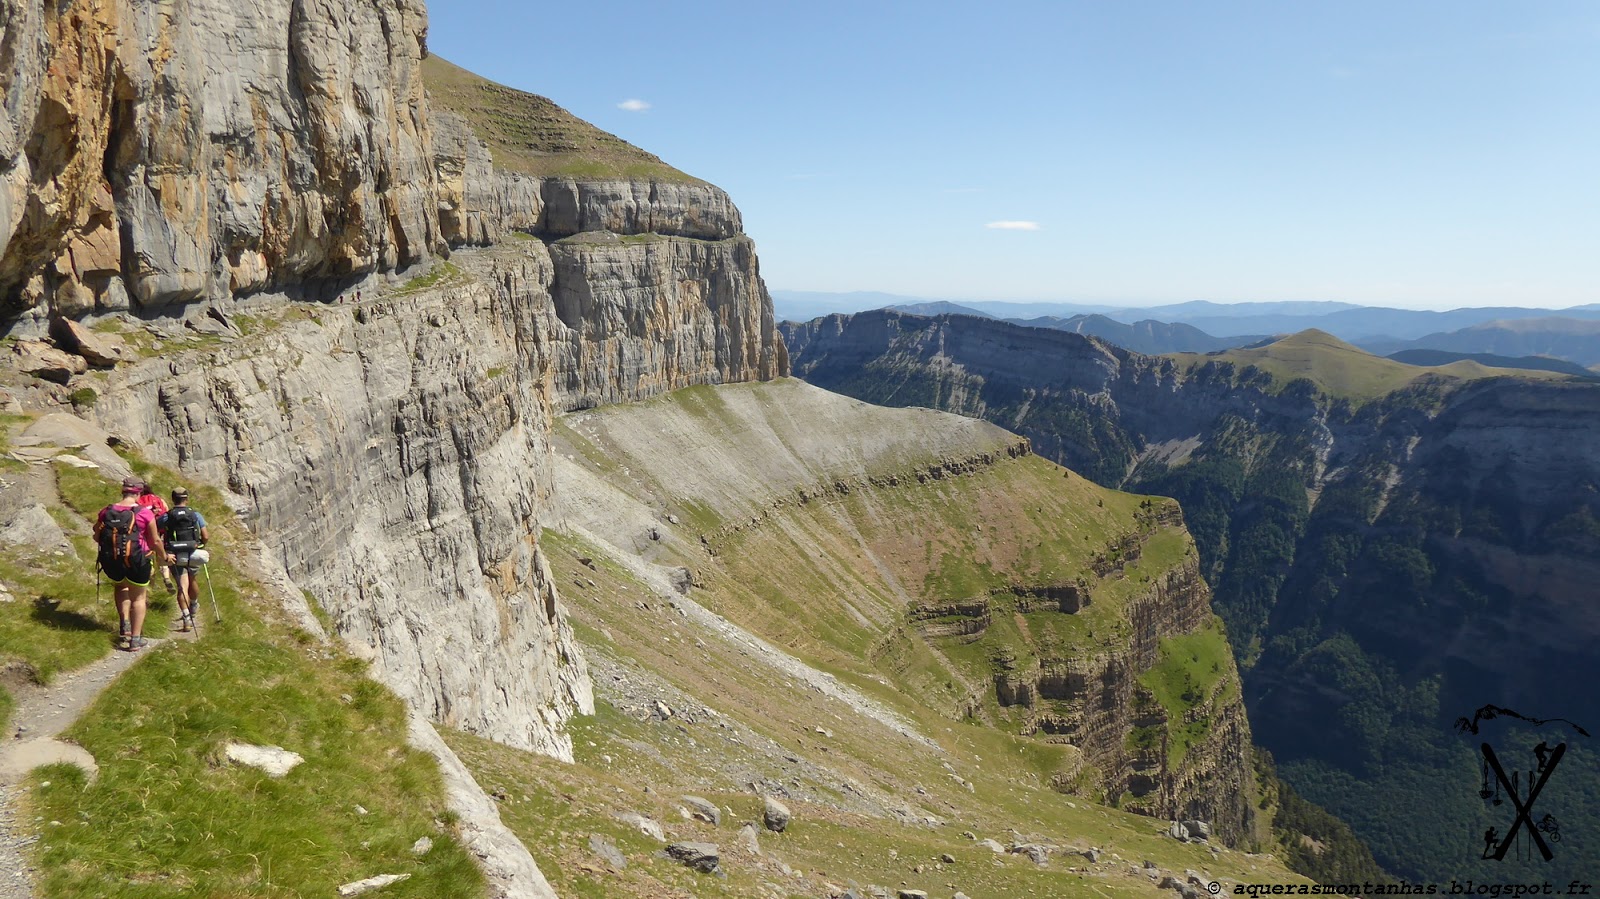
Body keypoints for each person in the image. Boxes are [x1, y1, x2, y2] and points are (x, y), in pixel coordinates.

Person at [95, 477, 166, 650]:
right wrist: (163, 556)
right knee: (139, 597)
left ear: (123, 491)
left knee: (120, 588)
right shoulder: (144, 513)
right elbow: (155, 540)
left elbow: (96, 534)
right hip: (137, 559)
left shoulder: (107, 511)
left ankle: (124, 624)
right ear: (139, 493)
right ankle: (135, 639)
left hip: (112, 561)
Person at [158, 487, 209, 633]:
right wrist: (201, 545)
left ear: (173, 499)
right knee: (193, 580)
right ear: (186, 499)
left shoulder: (167, 516)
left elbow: (154, 530)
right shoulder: (195, 515)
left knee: (182, 586)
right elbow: (205, 536)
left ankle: (186, 618)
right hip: (192, 552)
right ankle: (193, 605)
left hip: (175, 554)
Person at [136, 482, 174, 593]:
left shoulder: (138, 502)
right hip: (160, 531)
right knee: (162, 554)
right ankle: (166, 577)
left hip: (146, 533)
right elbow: (166, 513)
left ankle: (150, 584)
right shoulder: (158, 499)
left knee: (150, 558)